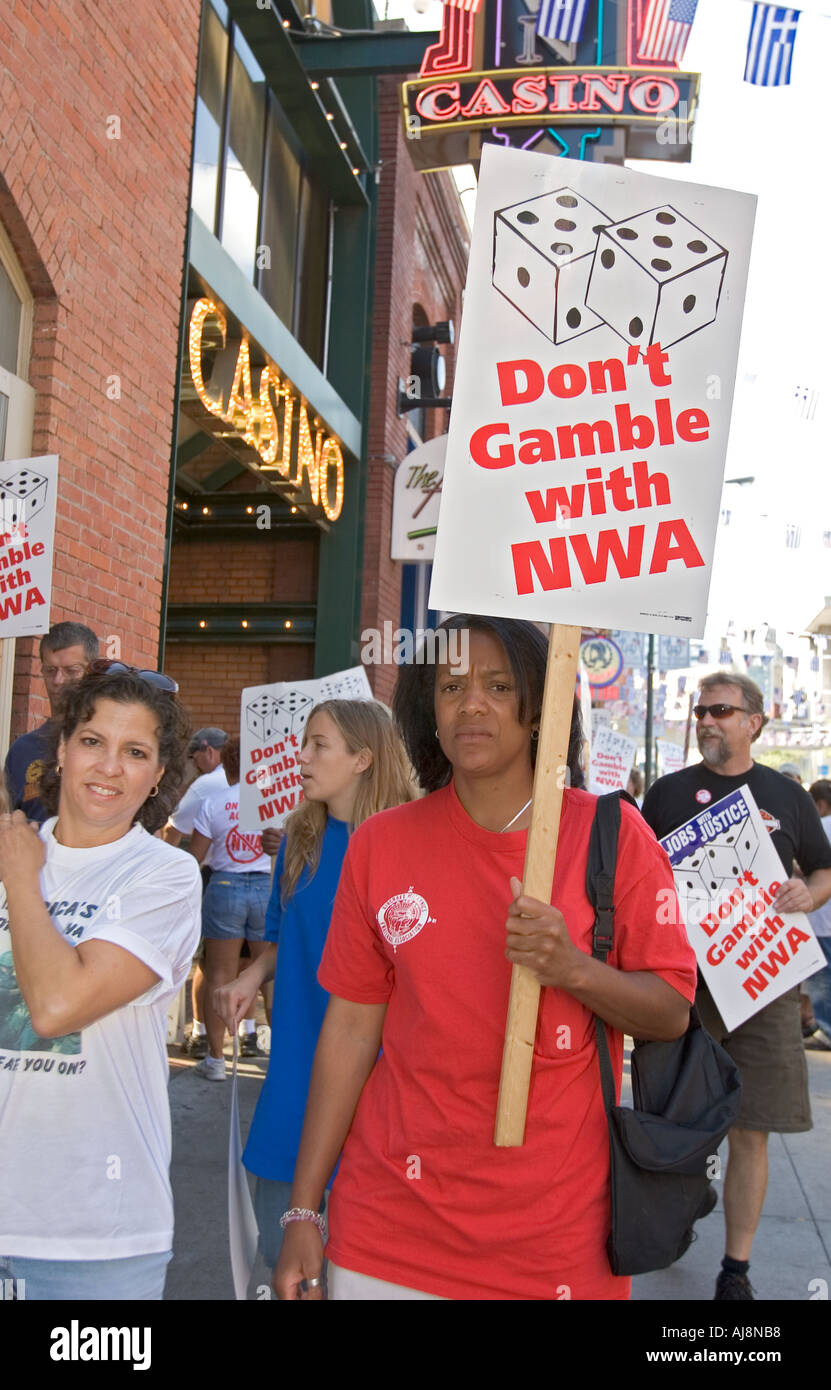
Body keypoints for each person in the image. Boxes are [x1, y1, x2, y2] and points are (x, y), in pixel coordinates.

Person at [274, 617, 697, 1301]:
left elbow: (671, 1011)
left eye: (499, 686)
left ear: (538, 708)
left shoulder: (613, 836)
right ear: (427, 713)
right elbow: (351, 1032)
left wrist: (571, 969)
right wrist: (302, 1209)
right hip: (387, 1228)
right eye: (450, 686)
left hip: (556, 1238)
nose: (472, 704)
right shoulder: (381, 844)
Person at [0, 661, 201, 1300]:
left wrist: (20, 881)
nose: (109, 767)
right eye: (93, 741)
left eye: (135, 751)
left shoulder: (164, 876)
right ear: (61, 749)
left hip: (93, 1238)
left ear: (159, 774)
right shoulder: (14, 849)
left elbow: (58, 1007)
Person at [641, 671, 831, 1302]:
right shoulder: (666, 795)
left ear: (755, 722)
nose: (706, 720)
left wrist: (812, 891)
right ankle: (689, 1193)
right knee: (676, 1117)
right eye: (700, 711)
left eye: (721, 710)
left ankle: (736, 1270)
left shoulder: (788, 795)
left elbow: (826, 872)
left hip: (765, 980)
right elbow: (639, 883)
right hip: (686, 981)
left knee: (753, 1128)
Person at [214, 700, 415, 1277]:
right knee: (284, 1259)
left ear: (362, 758)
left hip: (382, 1083)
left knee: (366, 1266)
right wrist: (250, 976)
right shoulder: (297, 839)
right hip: (296, 1074)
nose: (300, 757)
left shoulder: (407, 846)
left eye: (318, 745)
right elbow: (283, 940)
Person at [187, 736, 272, 1078]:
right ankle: (278, 1059)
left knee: (218, 974)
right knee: (268, 974)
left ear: (229, 765)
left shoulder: (215, 802)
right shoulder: (273, 804)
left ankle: (216, 1060)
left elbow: (194, 857)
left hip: (224, 886)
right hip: (267, 888)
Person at [163, 727, 228, 1058]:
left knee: (209, 964)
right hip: (258, 881)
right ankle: (247, 1034)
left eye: (196, 756)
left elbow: (174, 831)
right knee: (248, 967)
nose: (195, 763)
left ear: (210, 752)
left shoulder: (206, 786)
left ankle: (203, 1036)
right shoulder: (255, 786)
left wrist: (163, 874)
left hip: (215, 880)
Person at [4, 621, 99, 823]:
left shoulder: (106, 745)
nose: (58, 680)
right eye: (50, 670)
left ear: (92, 673)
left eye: (71, 671)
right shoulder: (22, 750)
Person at [803, 779, 831, 1049]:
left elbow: (808, 867)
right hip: (822, 917)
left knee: (822, 978)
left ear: (820, 805)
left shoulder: (822, 826)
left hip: (822, 920)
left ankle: (826, 1028)